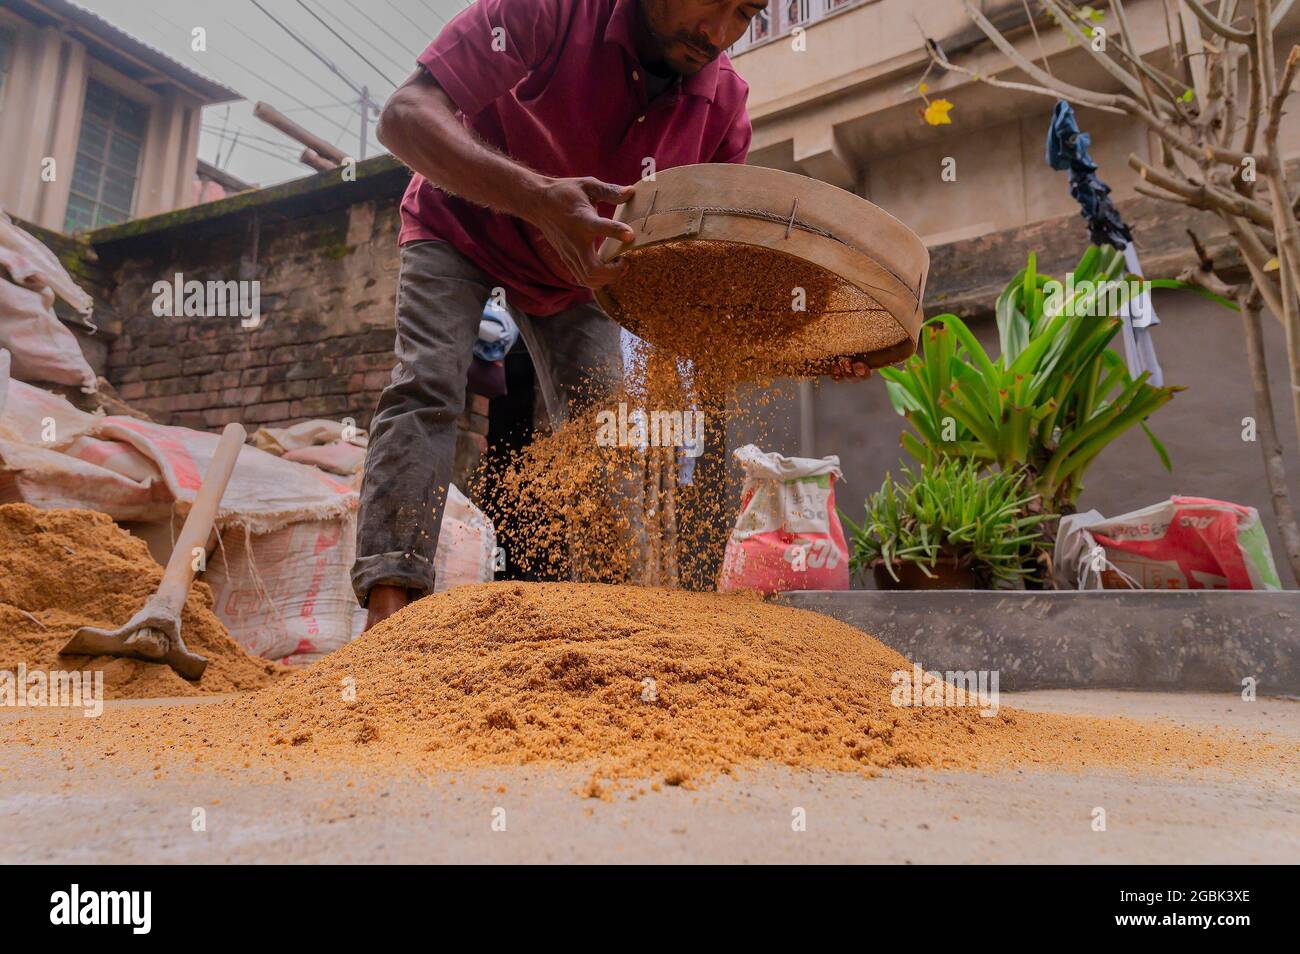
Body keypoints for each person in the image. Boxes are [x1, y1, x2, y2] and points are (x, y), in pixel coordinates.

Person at [353, 0, 768, 630]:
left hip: (578, 271)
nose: (718, 33)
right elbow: (402, 117)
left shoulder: (725, 106)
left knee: (611, 430)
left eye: (744, 12)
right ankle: (391, 613)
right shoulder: (550, 9)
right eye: (712, 0)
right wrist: (538, 199)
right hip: (459, 218)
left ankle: (607, 630)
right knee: (429, 386)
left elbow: (697, 251)